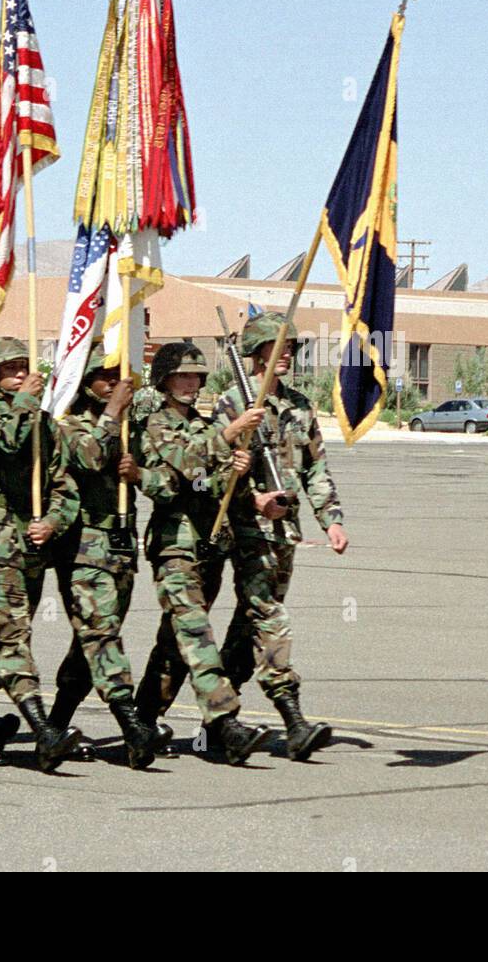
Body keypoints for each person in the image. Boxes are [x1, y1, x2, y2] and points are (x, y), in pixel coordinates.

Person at [130, 342, 274, 764]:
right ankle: (224, 721)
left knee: (174, 644)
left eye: (196, 376)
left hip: (208, 545)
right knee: (195, 633)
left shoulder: (201, 424)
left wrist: (236, 469)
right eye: (183, 376)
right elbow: (181, 472)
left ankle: (141, 722)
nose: (191, 383)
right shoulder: (155, 424)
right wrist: (226, 437)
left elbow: (208, 484)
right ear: (165, 381)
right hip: (175, 546)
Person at [213, 312, 346, 761]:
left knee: (247, 627)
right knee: (270, 620)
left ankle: (220, 720)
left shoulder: (300, 407)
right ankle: (294, 720)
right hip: (248, 531)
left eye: (291, 346)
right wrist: (253, 502)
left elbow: (316, 469)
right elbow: (215, 472)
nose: (287, 353)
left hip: (285, 532)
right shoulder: (232, 404)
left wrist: (332, 519)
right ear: (255, 354)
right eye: (277, 346)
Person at [0, 336, 83, 771]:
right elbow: (6, 442)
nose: (21, 375)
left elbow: (64, 484)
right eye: (10, 369)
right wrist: (27, 402)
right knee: (9, 638)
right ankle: (43, 730)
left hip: (30, 548)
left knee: (3, 640)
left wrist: (52, 521)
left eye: (24, 367)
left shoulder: (44, 422)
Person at [49, 347, 158, 769]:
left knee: (90, 642)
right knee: (101, 635)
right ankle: (131, 724)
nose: (113, 382)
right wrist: (113, 411)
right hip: (81, 548)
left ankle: (54, 727)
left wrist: (139, 472)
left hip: (120, 546)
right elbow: (88, 457)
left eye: (119, 374)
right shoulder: (66, 423)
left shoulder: (130, 425)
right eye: (103, 375)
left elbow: (162, 471)